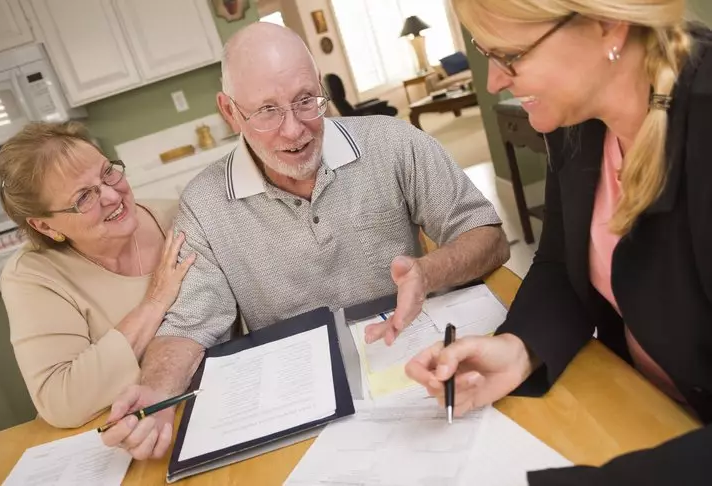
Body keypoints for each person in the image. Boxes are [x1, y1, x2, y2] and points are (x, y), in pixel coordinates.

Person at [100, 22, 510, 459]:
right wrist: (158, 395)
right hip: (298, 410)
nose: (294, 130)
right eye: (267, 111)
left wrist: (429, 271)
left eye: (305, 101)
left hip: (413, 374)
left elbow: (488, 236)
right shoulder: (204, 203)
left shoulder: (394, 142)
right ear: (230, 111)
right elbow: (188, 327)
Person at [407, 0, 712, 483]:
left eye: (510, 56)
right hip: (638, 408)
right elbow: (560, 264)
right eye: (483, 53)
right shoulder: (578, 121)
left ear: (608, 26)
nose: (493, 82)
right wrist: (518, 347)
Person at [0, 122, 195, 428]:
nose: (112, 195)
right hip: (116, 434)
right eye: (84, 197)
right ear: (45, 226)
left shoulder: (178, 218)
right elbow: (61, 400)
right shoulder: (33, 276)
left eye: (107, 173)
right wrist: (155, 302)